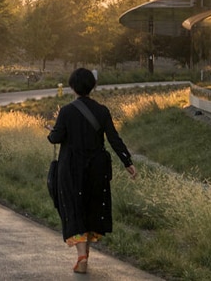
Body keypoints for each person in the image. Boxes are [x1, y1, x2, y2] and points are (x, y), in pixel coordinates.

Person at [48, 67, 137, 275]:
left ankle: (81, 257)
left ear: (72, 87)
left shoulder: (67, 111)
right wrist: (127, 162)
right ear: (92, 87)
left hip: (71, 167)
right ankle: (84, 256)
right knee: (90, 207)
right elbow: (114, 138)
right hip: (97, 168)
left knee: (74, 207)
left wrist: (51, 134)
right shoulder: (102, 111)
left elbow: (56, 137)